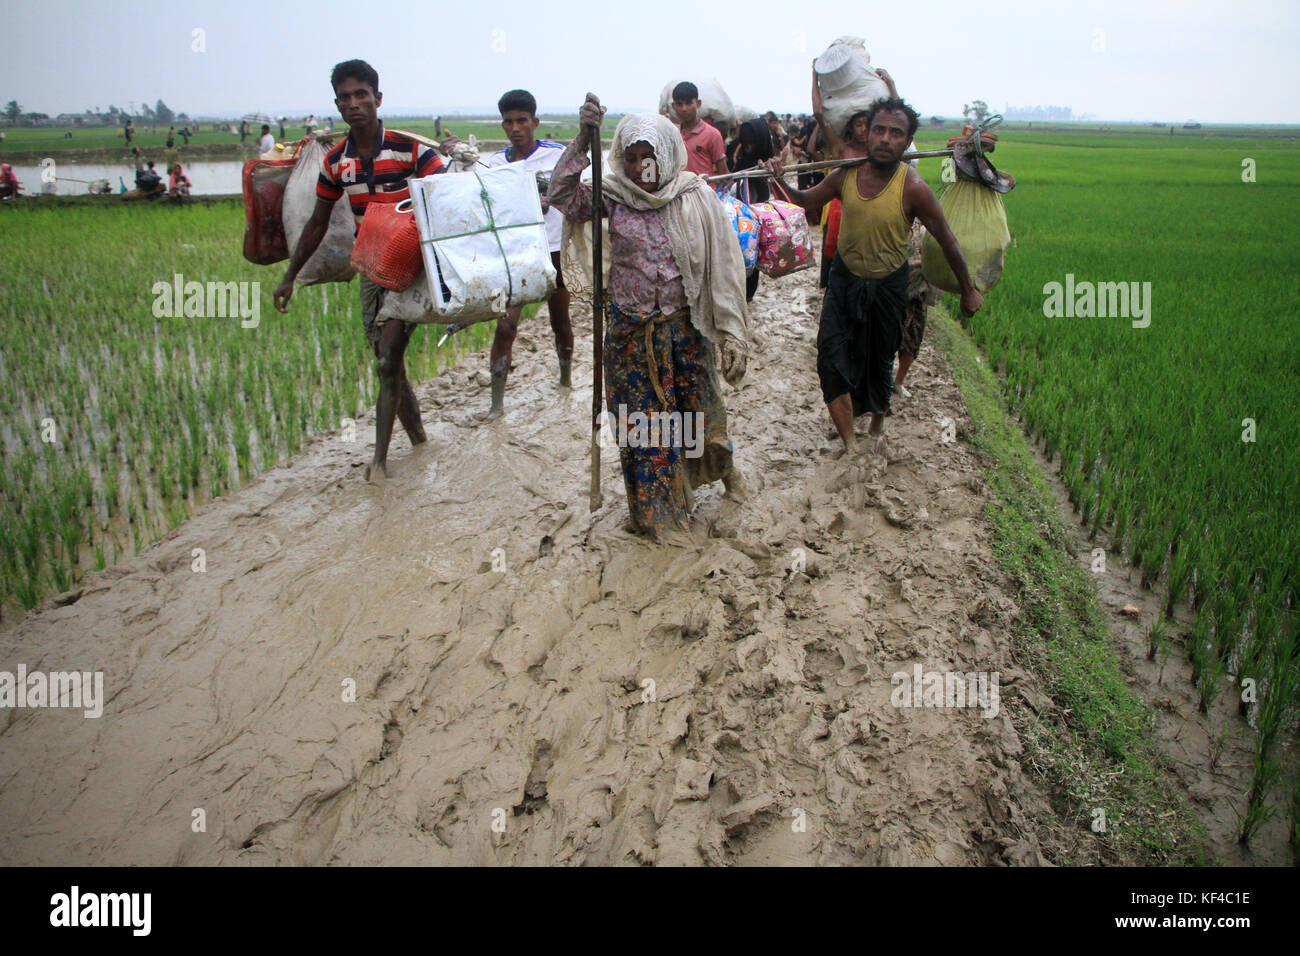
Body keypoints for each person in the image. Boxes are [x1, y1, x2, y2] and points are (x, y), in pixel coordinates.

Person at [549, 95, 750, 541]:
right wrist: (584, 138)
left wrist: (732, 331)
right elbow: (561, 193)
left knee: (697, 416)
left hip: (685, 330)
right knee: (644, 427)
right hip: (630, 335)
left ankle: (723, 475)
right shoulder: (612, 197)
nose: (640, 166)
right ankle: (658, 514)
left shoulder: (694, 197)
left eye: (649, 156)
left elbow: (724, 265)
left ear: (667, 155)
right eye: (631, 157)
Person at [273, 59, 458, 481]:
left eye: (362, 95)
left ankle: (378, 462)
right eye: (345, 97)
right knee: (387, 360)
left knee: (388, 357)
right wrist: (290, 276)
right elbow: (317, 221)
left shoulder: (409, 149)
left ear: (378, 98)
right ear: (337, 104)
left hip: (413, 266)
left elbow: (448, 196)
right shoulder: (337, 162)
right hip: (371, 267)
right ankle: (419, 443)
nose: (354, 104)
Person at [768, 97, 982, 461]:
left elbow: (946, 239)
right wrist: (779, 179)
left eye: (895, 133)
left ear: (907, 141)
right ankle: (850, 444)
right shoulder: (846, 174)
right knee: (831, 358)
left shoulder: (912, 187)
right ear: (867, 134)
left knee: (879, 360)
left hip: (888, 286)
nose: (885, 138)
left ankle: (877, 425)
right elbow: (804, 202)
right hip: (845, 280)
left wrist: (968, 289)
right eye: (879, 129)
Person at [480, 88, 575, 420]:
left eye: (522, 121)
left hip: (553, 251)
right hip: (516, 255)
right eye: (508, 122)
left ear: (534, 122)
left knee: (559, 320)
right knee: (506, 326)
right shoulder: (494, 164)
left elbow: (577, 191)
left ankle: (565, 379)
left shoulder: (556, 155)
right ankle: (496, 405)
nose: (515, 128)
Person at [725, 117, 774, 303]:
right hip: (737, 215)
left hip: (756, 214)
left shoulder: (769, 159)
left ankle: (746, 296)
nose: (749, 147)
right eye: (747, 143)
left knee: (752, 253)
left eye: (753, 143)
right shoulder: (739, 152)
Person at [670, 82, 728, 177]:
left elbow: (724, 173)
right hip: (678, 190)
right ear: (673, 106)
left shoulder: (712, 134)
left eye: (688, 103)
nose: (684, 109)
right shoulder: (672, 134)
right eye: (679, 104)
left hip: (704, 189)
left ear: (698, 103)